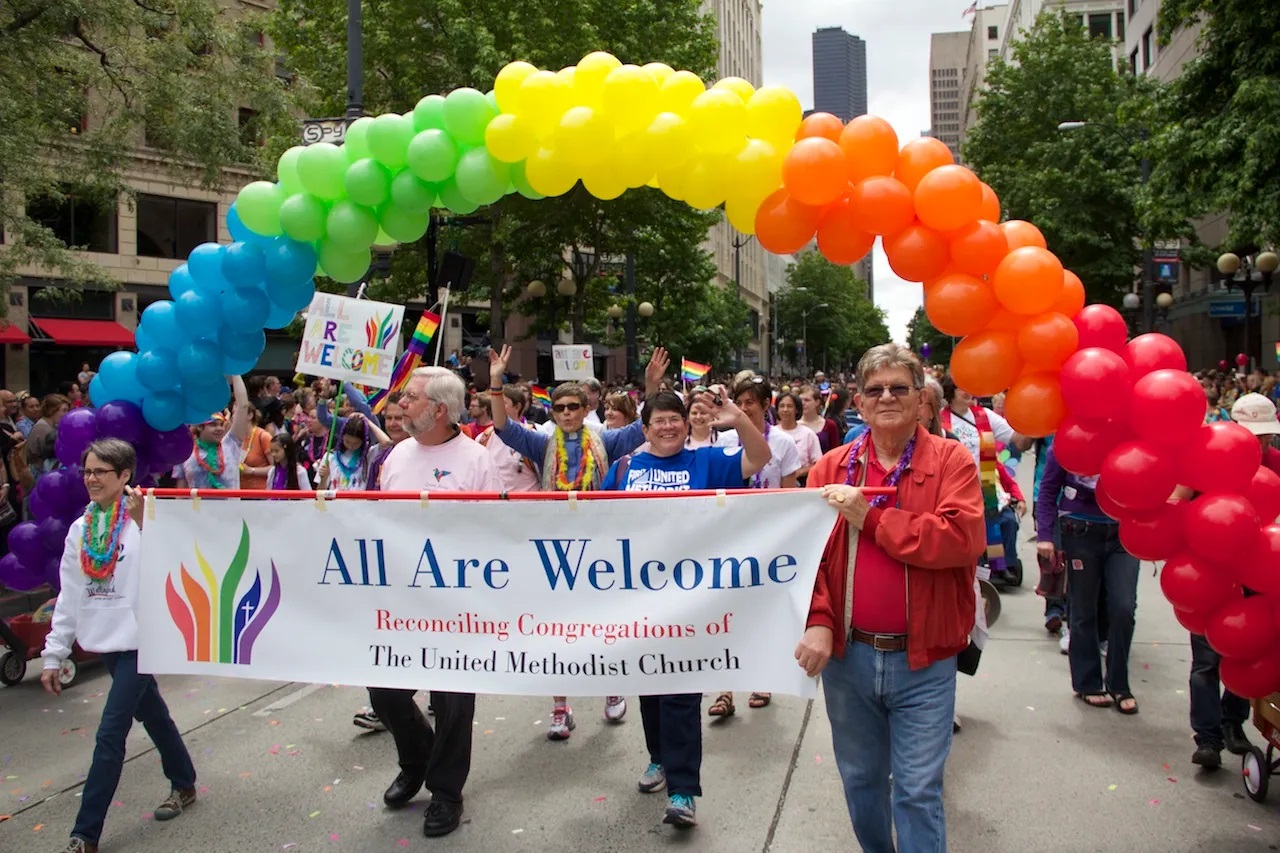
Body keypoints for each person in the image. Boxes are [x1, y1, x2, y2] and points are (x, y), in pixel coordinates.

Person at [795, 343, 985, 853]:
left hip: (924, 662)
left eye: (899, 388)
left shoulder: (953, 460)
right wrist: (817, 618)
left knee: (918, 792)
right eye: (875, 390)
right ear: (858, 402)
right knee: (860, 782)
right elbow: (803, 561)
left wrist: (873, 519)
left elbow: (961, 539)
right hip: (848, 660)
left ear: (921, 398)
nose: (887, 398)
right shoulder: (830, 467)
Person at [602, 390, 771, 829]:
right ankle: (658, 759)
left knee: (680, 691)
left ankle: (683, 789)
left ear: (685, 422)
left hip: (691, 603)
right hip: (636, 600)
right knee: (648, 686)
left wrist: (739, 421)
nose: (669, 426)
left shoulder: (708, 462)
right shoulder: (624, 468)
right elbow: (597, 526)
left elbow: (759, 457)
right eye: (659, 420)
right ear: (645, 429)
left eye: (675, 418)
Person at [488, 345, 668, 740]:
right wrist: (496, 381)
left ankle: (612, 687)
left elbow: (643, 427)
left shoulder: (607, 440)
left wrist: (651, 386)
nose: (567, 413)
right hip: (556, 548)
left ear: (585, 409)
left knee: (605, 623)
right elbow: (503, 427)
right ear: (551, 412)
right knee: (556, 629)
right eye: (559, 408)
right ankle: (559, 708)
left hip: (600, 547)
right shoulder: (540, 443)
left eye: (573, 406)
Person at [42, 439, 198, 853]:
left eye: (101, 472)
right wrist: (54, 654)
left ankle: (85, 834)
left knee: (111, 733)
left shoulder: (147, 515)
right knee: (154, 715)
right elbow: (70, 594)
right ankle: (184, 782)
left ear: (125, 475)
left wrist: (149, 524)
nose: (91, 479)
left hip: (143, 640)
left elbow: (182, 563)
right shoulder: (81, 528)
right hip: (106, 641)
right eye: (87, 471)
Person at [366, 367, 501, 838]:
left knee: (453, 703)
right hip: (400, 602)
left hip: (457, 606)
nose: (400, 404)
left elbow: (493, 534)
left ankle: (446, 793)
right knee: (383, 691)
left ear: (439, 410)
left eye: (411, 398)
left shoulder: (476, 461)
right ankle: (416, 760)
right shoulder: (394, 456)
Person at [1035, 445, 1140, 714]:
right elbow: (1048, 489)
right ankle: (1088, 683)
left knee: (1123, 607)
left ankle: (1119, 683)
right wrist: (1045, 534)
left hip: (1125, 532)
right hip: (1079, 530)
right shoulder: (1069, 439)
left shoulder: (1132, 434)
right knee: (1083, 610)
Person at [175, 377, 250, 490]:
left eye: (221, 424)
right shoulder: (186, 451)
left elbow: (243, 407)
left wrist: (236, 373)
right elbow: (180, 493)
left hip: (230, 507)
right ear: (200, 427)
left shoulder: (230, 444)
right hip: (197, 507)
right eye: (213, 425)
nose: (219, 429)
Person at [775, 391, 822, 483]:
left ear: (796, 409)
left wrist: (799, 472)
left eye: (789, 406)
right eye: (782, 406)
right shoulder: (771, 433)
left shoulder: (808, 434)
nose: (785, 409)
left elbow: (818, 463)